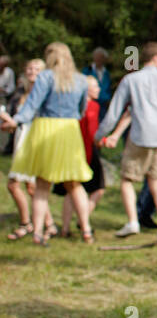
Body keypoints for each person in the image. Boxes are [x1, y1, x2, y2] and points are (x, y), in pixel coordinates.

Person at [97, 42, 157, 237]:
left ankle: (133, 221)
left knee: (127, 180)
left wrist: (100, 134)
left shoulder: (131, 79)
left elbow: (115, 111)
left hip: (139, 137)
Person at [0, 42, 93, 244]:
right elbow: (82, 110)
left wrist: (16, 121)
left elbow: (32, 104)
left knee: (42, 184)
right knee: (74, 184)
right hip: (70, 131)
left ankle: (38, 232)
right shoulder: (80, 80)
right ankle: (87, 230)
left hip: (47, 129)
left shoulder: (46, 77)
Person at [5, 59, 56, 240]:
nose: (32, 71)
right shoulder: (21, 92)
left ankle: (34, 224)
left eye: (37, 68)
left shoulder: (47, 92)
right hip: (21, 138)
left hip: (35, 139)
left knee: (30, 186)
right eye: (29, 67)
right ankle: (39, 224)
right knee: (22, 185)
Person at [55, 75, 105, 233]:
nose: (98, 89)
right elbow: (92, 130)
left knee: (71, 189)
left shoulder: (72, 105)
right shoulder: (92, 106)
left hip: (69, 150)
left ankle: (64, 228)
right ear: (87, 89)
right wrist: (102, 140)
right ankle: (83, 221)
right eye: (95, 86)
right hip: (86, 152)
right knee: (98, 189)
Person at [83, 48, 112, 121]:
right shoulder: (87, 70)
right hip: (90, 103)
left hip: (103, 104)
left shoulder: (106, 73)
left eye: (101, 57)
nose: (99, 59)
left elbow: (108, 88)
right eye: (97, 57)